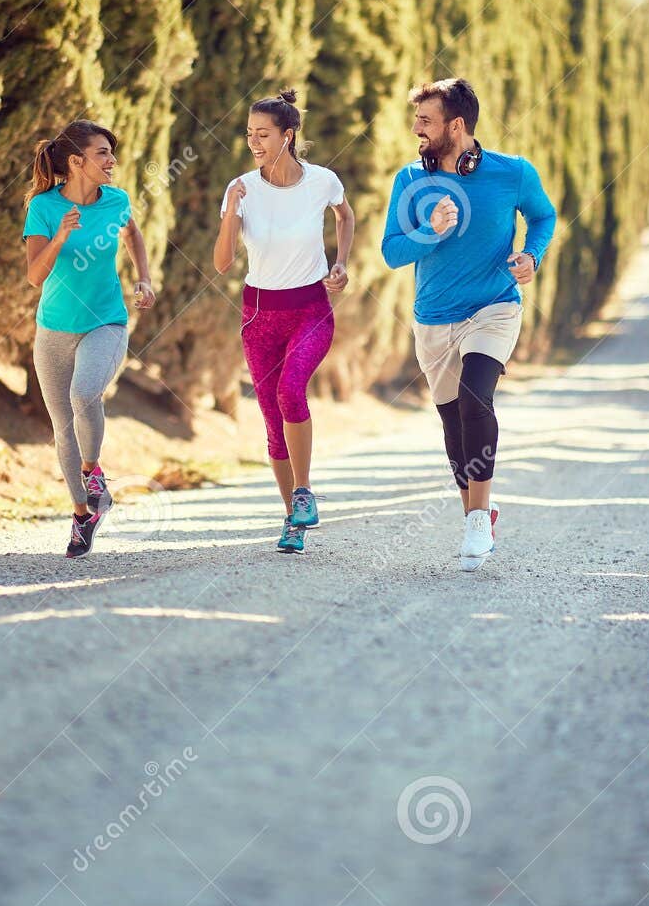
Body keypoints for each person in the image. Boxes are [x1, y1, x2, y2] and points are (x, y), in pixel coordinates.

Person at [381, 78, 556, 571]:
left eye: (425, 120)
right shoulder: (409, 181)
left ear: (455, 126)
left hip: (495, 306)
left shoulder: (512, 173)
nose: (416, 128)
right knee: (454, 424)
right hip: (433, 317)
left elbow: (543, 216)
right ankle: (478, 509)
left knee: (478, 398)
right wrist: (428, 232)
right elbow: (392, 252)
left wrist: (531, 256)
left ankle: (476, 522)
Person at [214, 89, 354, 553]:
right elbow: (222, 262)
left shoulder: (321, 181)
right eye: (249, 134)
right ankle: (292, 520)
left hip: (311, 307)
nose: (253, 142)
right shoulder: (241, 188)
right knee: (272, 419)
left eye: (263, 134)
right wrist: (231, 213)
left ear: (287, 135)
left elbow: (345, 216)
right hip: (259, 313)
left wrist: (341, 263)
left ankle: (305, 490)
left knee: (290, 389)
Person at [23, 119, 155, 558]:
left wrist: (144, 278)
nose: (112, 161)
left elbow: (133, 233)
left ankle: (93, 472)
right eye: (103, 153)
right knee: (62, 429)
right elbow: (34, 276)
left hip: (107, 322)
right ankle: (83, 514)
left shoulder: (117, 200)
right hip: (53, 330)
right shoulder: (42, 207)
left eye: (111, 153)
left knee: (85, 394)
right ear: (76, 162)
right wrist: (60, 234)